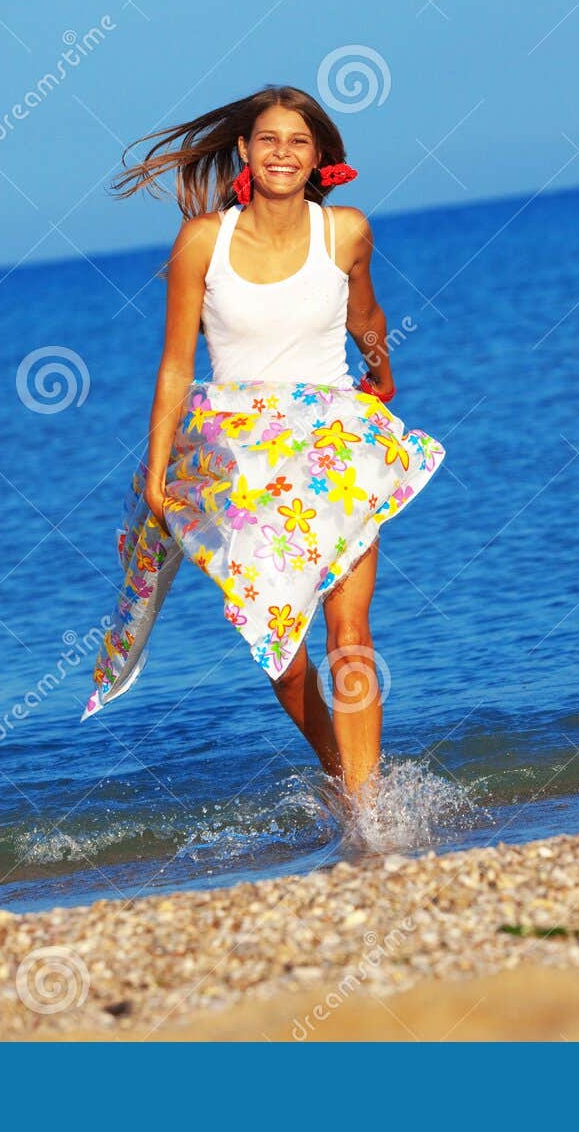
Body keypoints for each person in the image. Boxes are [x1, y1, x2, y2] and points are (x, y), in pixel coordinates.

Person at [90, 85, 445, 797]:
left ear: (319, 157)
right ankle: (347, 778)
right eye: (269, 139)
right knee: (279, 650)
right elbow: (175, 365)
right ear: (247, 151)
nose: (283, 152)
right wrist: (158, 473)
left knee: (350, 632)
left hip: (335, 448)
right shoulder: (203, 241)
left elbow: (365, 312)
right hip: (243, 460)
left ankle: (368, 808)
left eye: (298, 141)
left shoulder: (343, 231)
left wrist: (381, 366)